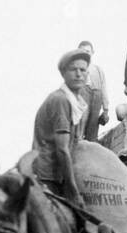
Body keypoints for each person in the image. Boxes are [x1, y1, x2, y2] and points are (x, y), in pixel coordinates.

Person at [30, 48, 90, 203]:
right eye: (73, 69)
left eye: (83, 70)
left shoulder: (76, 102)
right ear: (63, 74)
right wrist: (73, 191)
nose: (78, 74)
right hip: (47, 174)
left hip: (55, 174)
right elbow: (62, 149)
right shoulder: (61, 100)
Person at [78, 41, 109, 141]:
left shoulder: (98, 70)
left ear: (92, 53)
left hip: (96, 97)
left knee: (93, 126)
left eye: (87, 51)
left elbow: (103, 88)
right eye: (82, 51)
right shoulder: (76, 69)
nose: (85, 54)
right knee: (82, 121)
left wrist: (105, 110)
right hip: (82, 97)